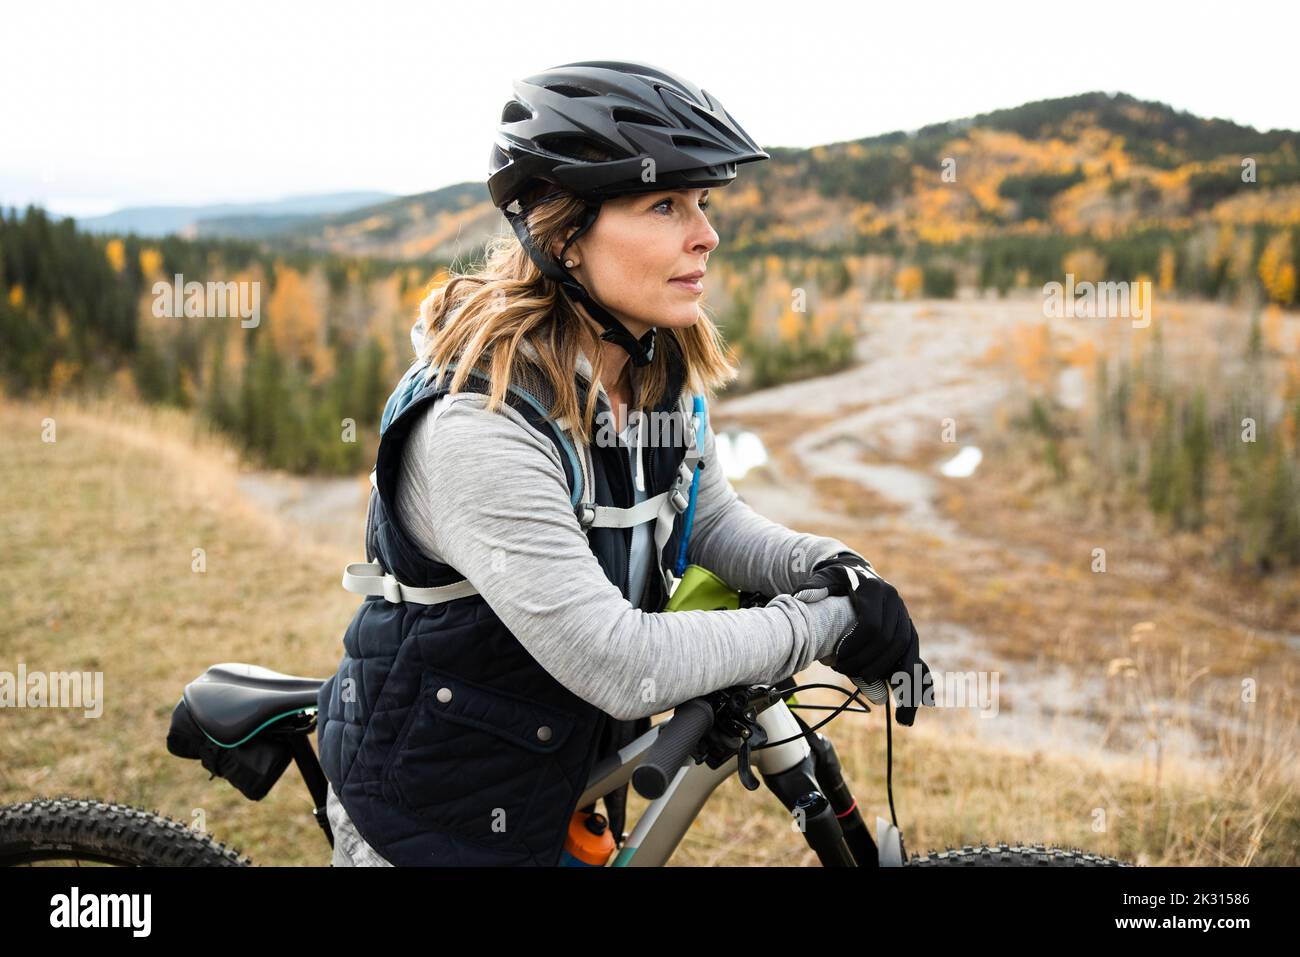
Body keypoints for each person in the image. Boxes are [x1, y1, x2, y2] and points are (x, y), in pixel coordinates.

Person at [316, 60, 929, 867]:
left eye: (703, 202)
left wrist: (833, 567)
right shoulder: (478, 423)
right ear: (567, 234)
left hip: (563, 769)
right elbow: (619, 663)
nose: (706, 233)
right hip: (441, 805)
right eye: (665, 204)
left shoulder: (650, 367)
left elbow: (709, 519)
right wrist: (820, 623)